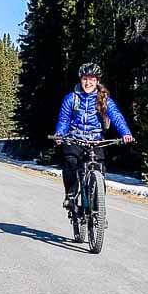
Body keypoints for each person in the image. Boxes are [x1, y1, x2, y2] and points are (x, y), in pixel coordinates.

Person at [53, 64, 134, 208]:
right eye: (85, 79)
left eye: (92, 79)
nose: (88, 83)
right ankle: (70, 195)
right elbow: (64, 120)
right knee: (71, 162)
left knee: (100, 170)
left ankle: (98, 205)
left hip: (96, 140)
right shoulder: (71, 98)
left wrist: (126, 133)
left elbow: (116, 117)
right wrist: (60, 134)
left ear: (97, 81)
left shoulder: (104, 99)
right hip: (75, 138)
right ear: (80, 80)